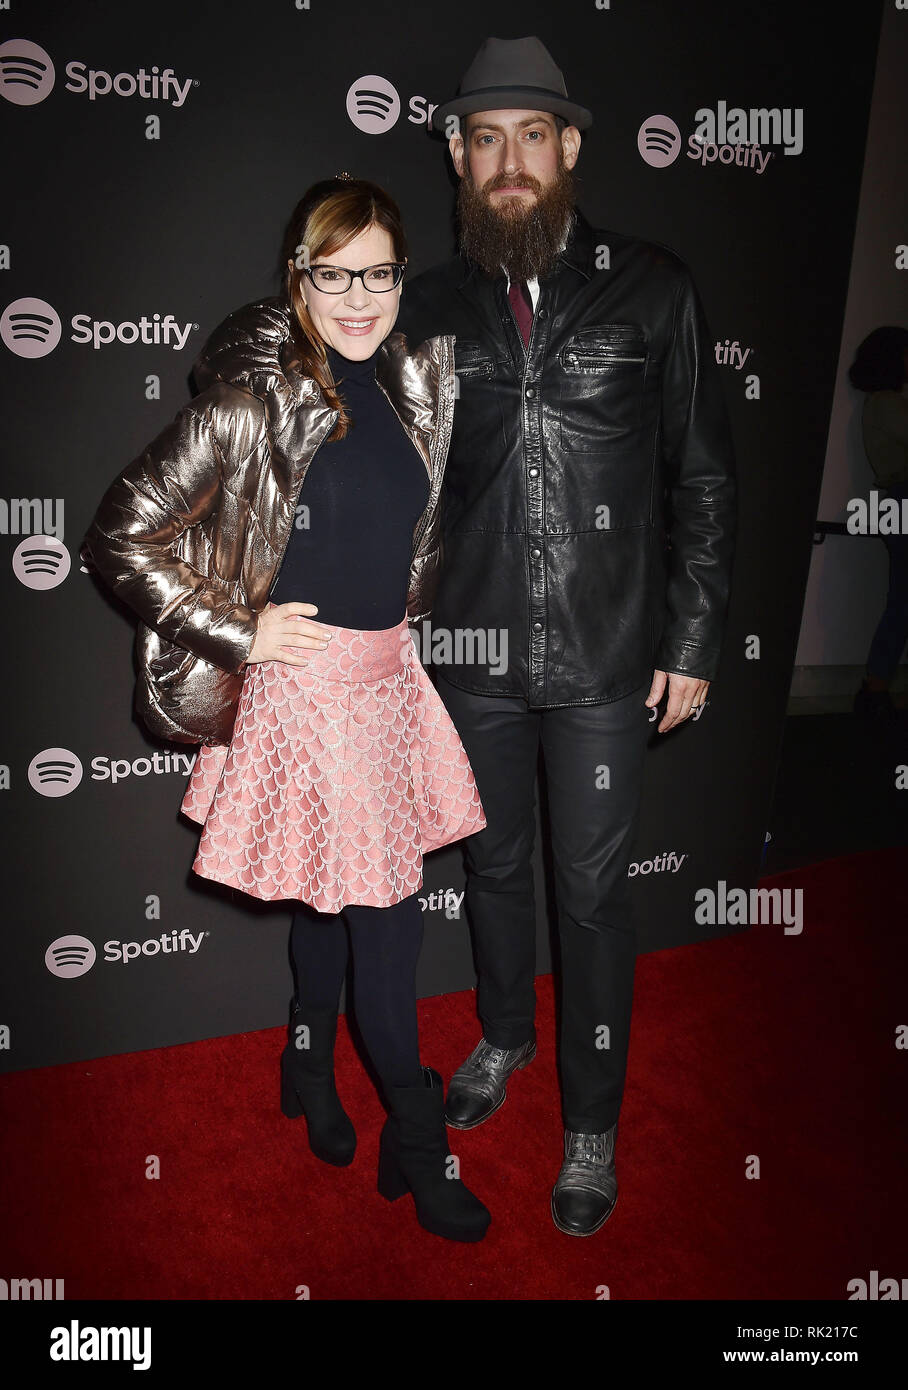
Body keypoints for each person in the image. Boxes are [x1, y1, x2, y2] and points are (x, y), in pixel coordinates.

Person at [79, 175, 491, 1244]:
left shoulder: (414, 384)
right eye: (332, 273)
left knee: (327, 904)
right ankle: (418, 1135)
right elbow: (122, 533)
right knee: (387, 937)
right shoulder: (248, 403)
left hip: (388, 682)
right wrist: (239, 629)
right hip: (307, 700)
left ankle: (305, 1064)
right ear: (297, 277)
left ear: (403, 276)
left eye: (379, 272)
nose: (358, 296)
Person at [394, 37, 737, 1236]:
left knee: (588, 898)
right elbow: (390, 484)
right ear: (455, 155)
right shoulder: (423, 305)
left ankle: (589, 1115)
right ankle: (501, 1035)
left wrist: (690, 638)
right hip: (470, 658)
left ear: (571, 148)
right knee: (490, 869)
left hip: (603, 657)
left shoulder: (652, 285)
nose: (507, 163)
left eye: (530, 137)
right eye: (483, 139)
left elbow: (699, 476)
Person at [848, 326, 908, 721]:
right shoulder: (887, 402)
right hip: (903, 499)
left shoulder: (880, 402)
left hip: (897, 501)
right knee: (901, 603)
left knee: (901, 602)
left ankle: (875, 688)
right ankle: (875, 690)